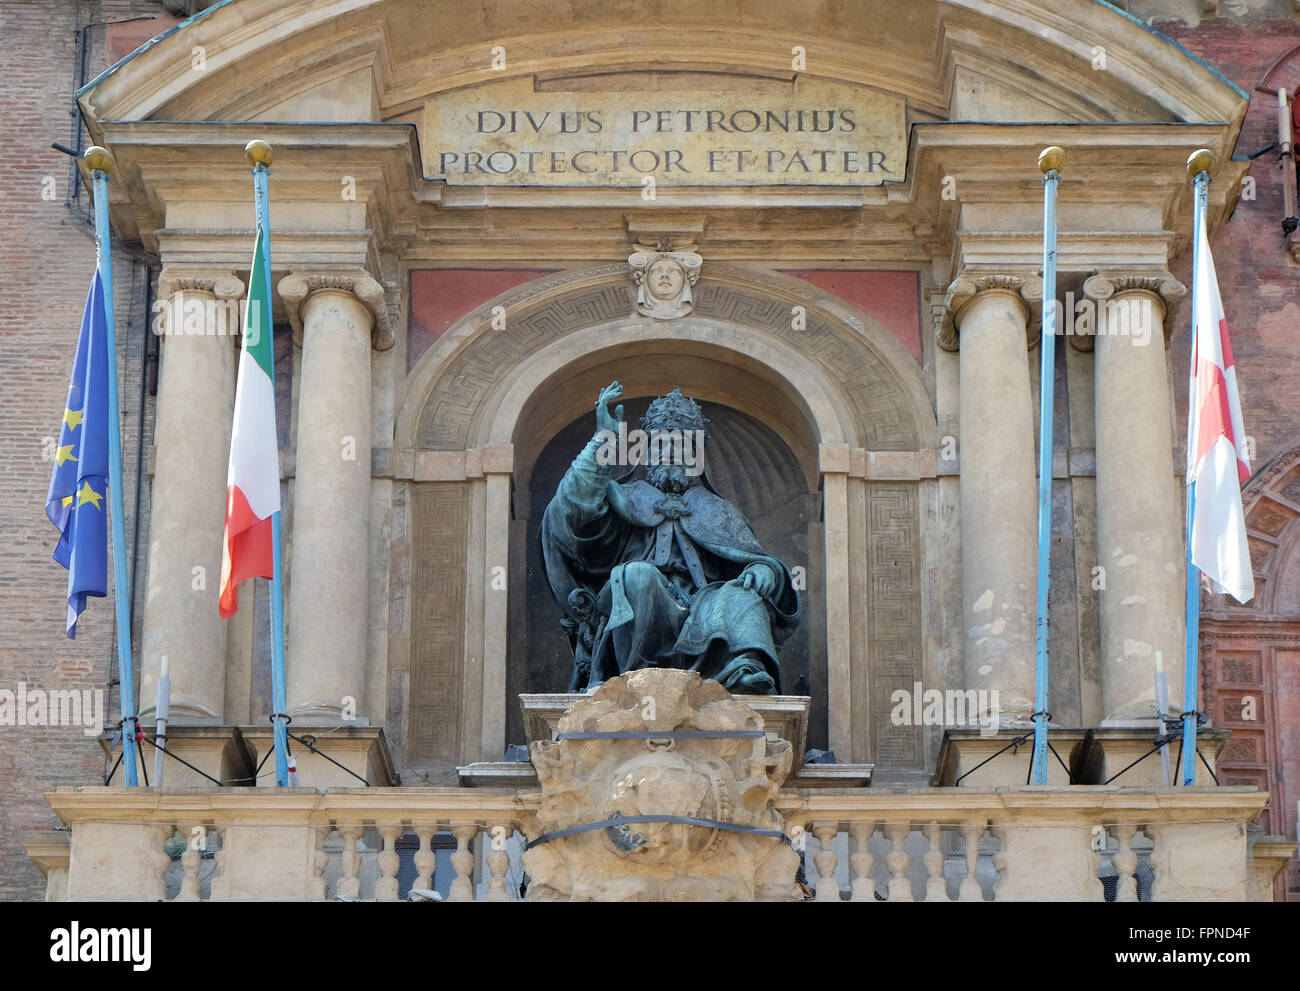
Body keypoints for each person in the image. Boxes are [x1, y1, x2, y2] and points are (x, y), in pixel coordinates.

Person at [541, 380, 800, 694]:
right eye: (661, 444)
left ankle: (741, 671)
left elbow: (755, 557)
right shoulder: (624, 497)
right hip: (639, 599)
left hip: (704, 605)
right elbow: (568, 513)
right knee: (639, 575)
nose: (670, 452)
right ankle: (631, 685)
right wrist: (602, 442)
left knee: (741, 597)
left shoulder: (717, 508)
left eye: (680, 446)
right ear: (646, 452)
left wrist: (764, 570)